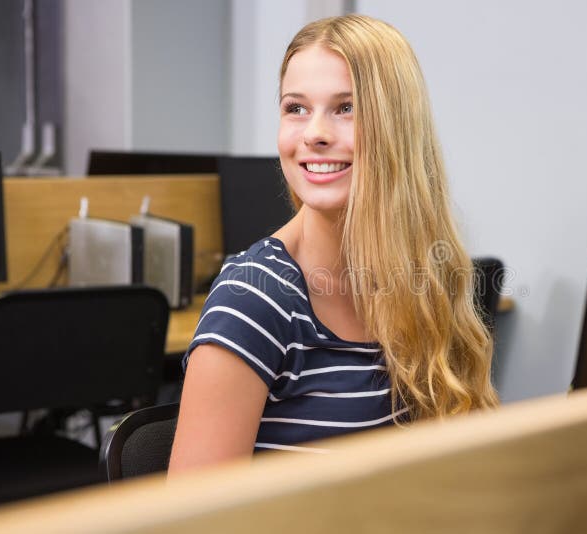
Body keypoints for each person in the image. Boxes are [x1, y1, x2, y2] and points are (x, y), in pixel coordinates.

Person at [169, 14, 498, 473]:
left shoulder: (421, 275)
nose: (314, 133)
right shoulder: (253, 303)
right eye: (295, 108)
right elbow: (192, 521)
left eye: (346, 108)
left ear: (396, 127)